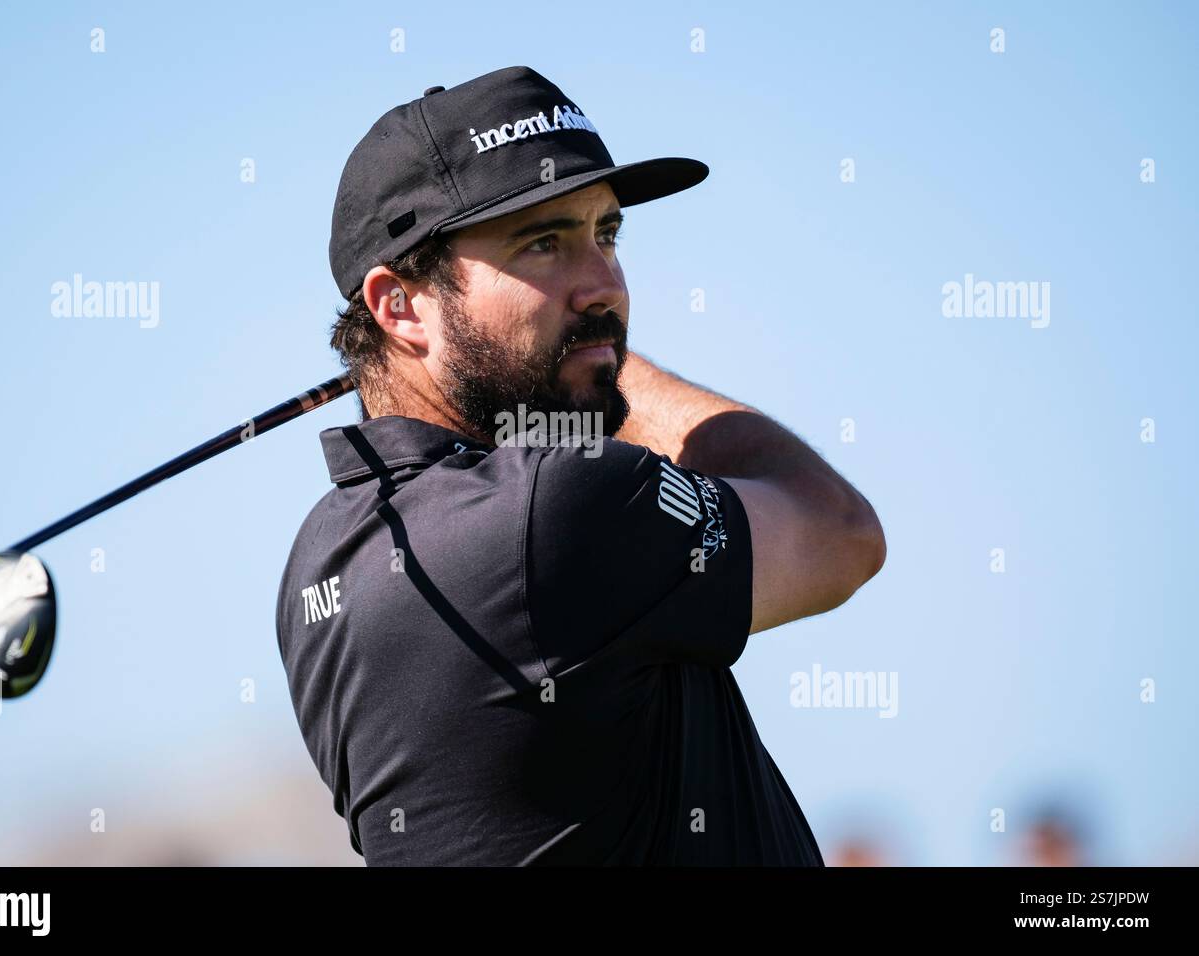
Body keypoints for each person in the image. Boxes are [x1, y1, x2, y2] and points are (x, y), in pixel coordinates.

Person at [276, 65, 886, 865]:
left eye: (607, 235)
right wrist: (600, 359)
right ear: (400, 306)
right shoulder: (558, 507)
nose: (605, 284)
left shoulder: (317, 562)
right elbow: (840, 531)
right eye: (544, 243)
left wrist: (568, 350)